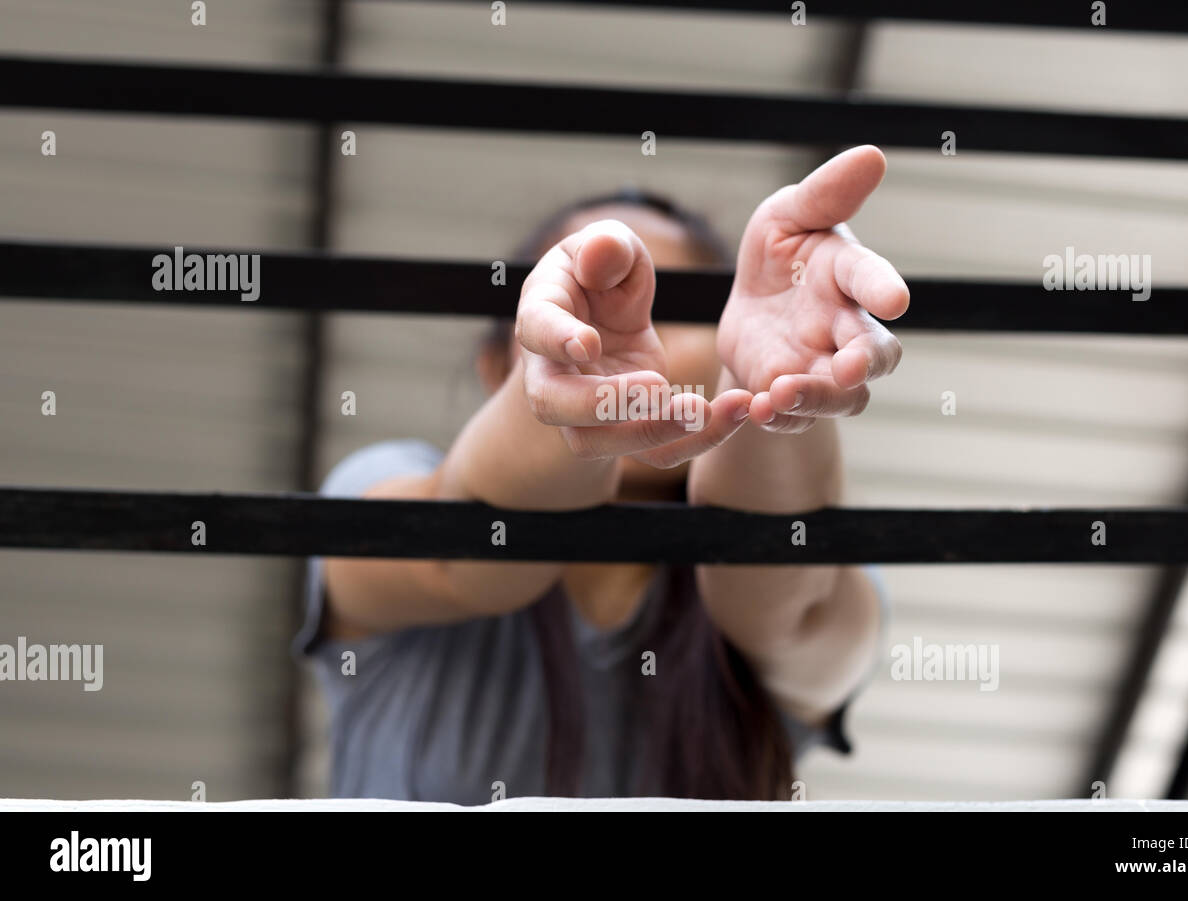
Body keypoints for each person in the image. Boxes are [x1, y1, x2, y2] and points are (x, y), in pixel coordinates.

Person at [293, 145, 909, 802]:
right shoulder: (386, 477)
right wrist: (569, 384)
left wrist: (773, 381)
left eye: (667, 303)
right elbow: (467, 544)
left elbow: (787, 603)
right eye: (583, 304)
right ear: (496, 368)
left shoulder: (824, 573)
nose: (627, 326)